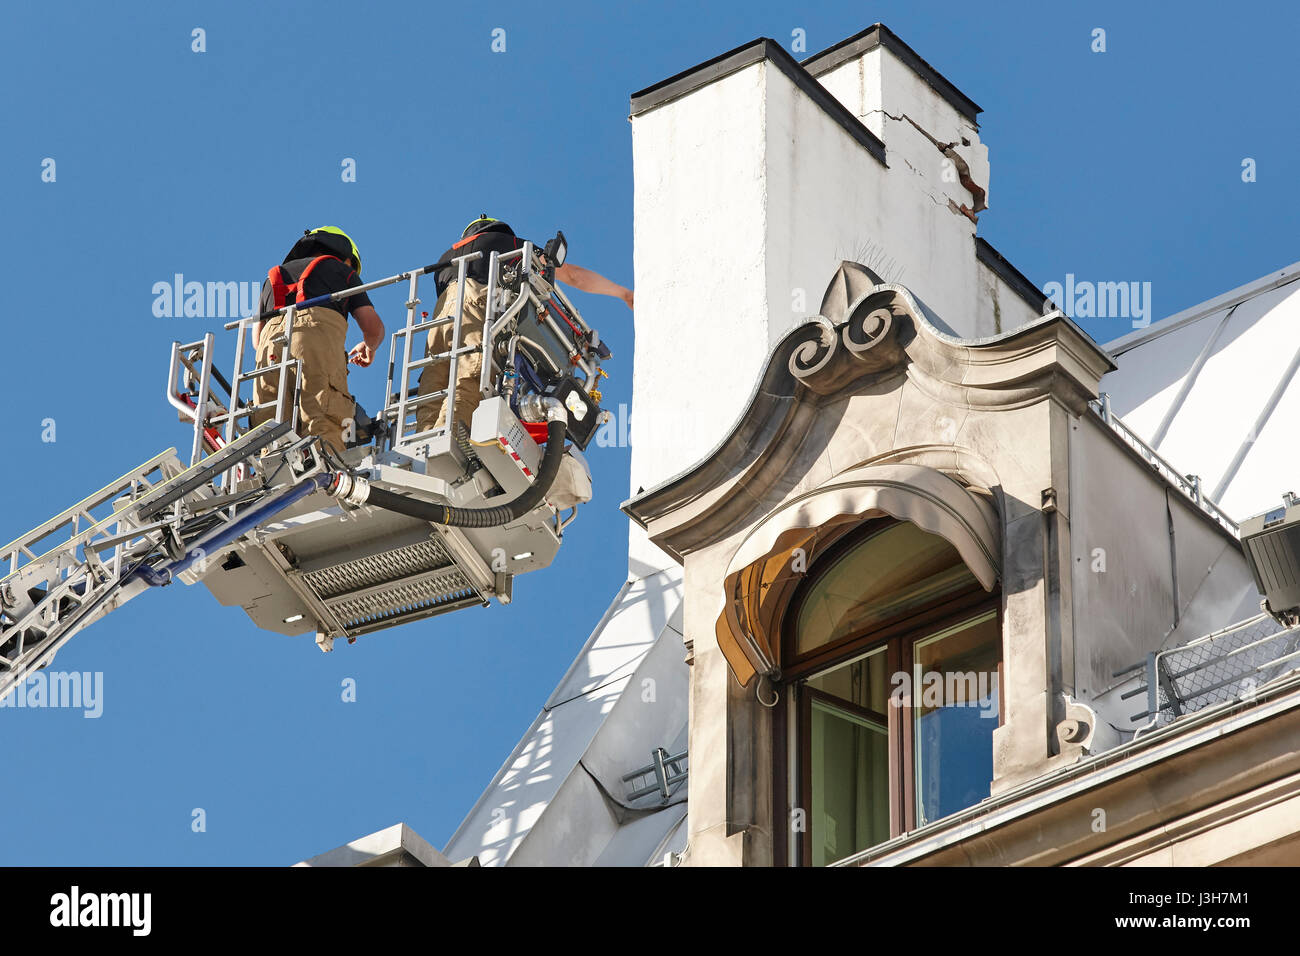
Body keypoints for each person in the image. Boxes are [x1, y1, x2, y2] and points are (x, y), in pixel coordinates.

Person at [415, 216, 632, 435]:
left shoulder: (445, 260)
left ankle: (423, 441)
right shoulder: (506, 244)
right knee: (471, 375)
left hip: (442, 318)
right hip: (479, 303)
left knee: (434, 387)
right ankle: (451, 438)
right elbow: (574, 276)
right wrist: (623, 293)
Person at [250, 226, 385, 456]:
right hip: (313, 345)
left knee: (270, 432)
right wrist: (369, 347)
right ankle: (326, 476)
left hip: (269, 353)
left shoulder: (271, 279)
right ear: (346, 257)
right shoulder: (342, 271)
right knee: (322, 421)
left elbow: (256, 339)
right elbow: (372, 327)